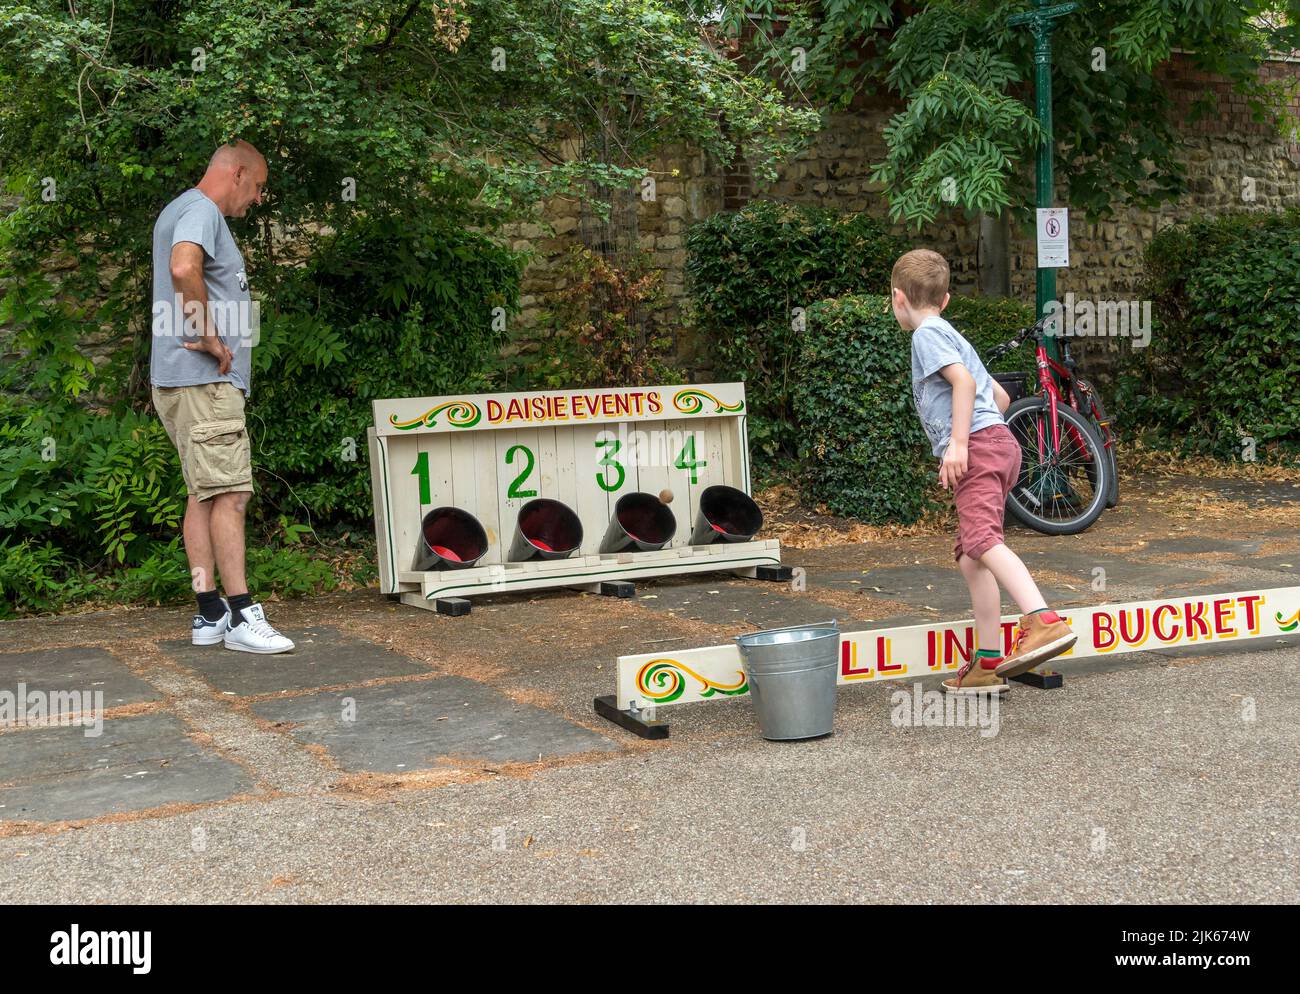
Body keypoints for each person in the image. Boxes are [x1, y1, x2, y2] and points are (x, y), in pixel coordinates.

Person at [891, 249, 1075, 694]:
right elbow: (1001, 399)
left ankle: (1043, 620)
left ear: (898, 299)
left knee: (982, 542)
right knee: (970, 556)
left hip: (977, 447)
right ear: (947, 298)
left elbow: (966, 384)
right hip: (999, 444)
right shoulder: (953, 333)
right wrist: (980, 433)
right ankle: (988, 663)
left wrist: (957, 443)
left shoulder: (926, 335)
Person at [150, 140, 293, 654]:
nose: (257, 200)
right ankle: (242, 614)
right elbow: (184, 268)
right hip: (204, 382)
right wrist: (210, 335)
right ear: (237, 173)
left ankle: (209, 613)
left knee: (203, 493)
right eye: (257, 188)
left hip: (183, 381)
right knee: (231, 495)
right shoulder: (201, 211)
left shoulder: (179, 208)